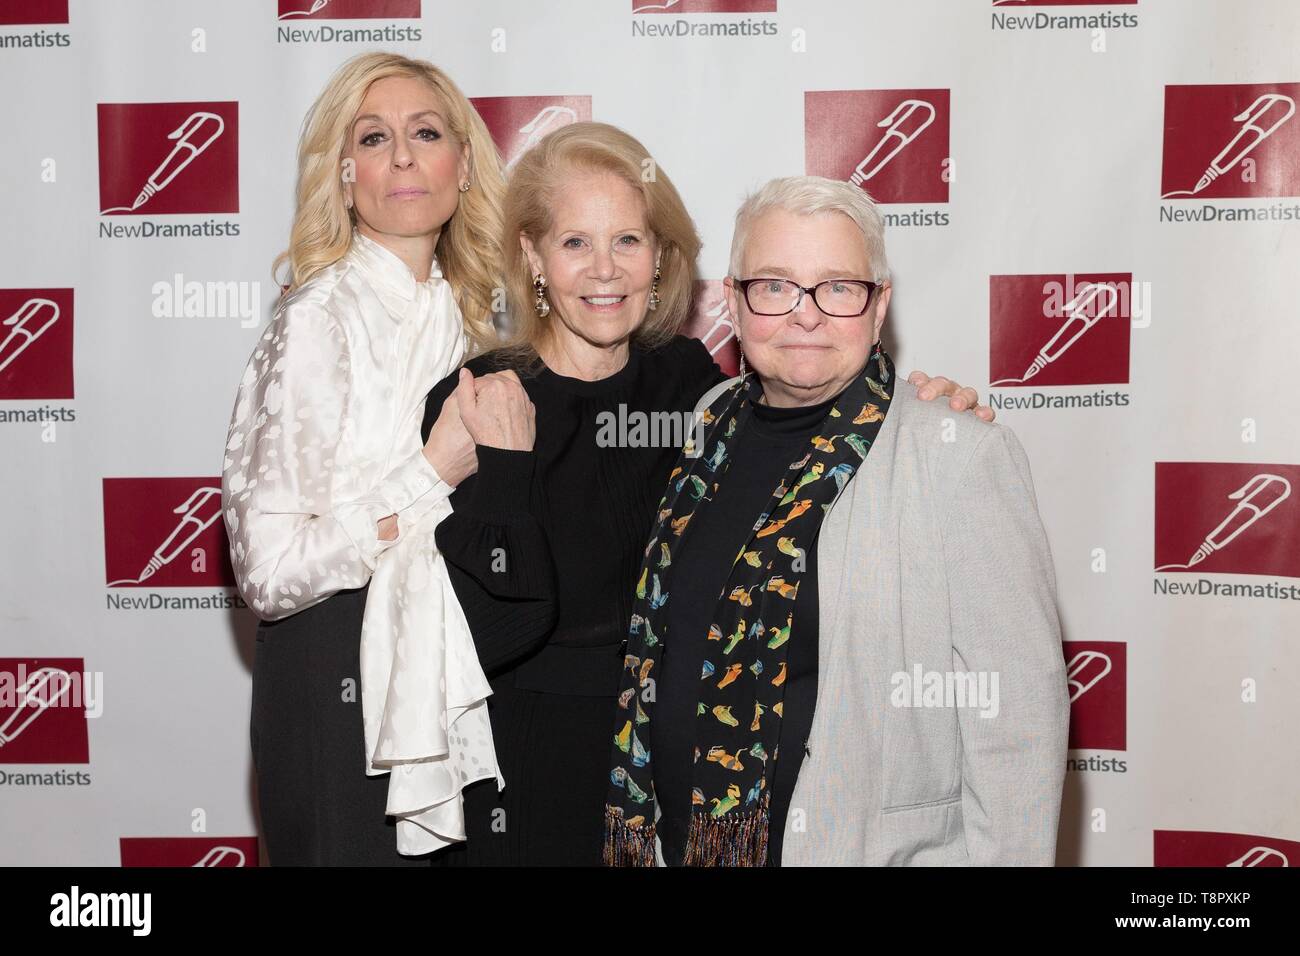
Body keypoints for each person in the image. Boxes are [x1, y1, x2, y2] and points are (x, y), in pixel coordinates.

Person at [422, 124, 992, 865]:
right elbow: (472, 635)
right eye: (574, 244)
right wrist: (504, 469)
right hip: (529, 770)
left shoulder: (695, 389)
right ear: (532, 255)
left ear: (661, 258)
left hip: (681, 782)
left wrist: (927, 403)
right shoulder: (482, 398)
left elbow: (821, 409)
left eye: (628, 240)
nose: (605, 270)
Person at [604, 176, 1069, 867]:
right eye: (775, 286)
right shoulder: (707, 423)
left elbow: (1020, 728)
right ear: (732, 301)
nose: (806, 315)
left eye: (838, 287)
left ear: (880, 306)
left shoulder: (958, 456)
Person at [221, 52, 507, 865]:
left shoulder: (480, 323)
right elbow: (270, 571)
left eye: (426, 132)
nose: (405, 156)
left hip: (455, 667)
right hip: (332, 669)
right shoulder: (319, 319)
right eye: (375, 138)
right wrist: (430, 472)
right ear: (345, 177)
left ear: (463, 165)